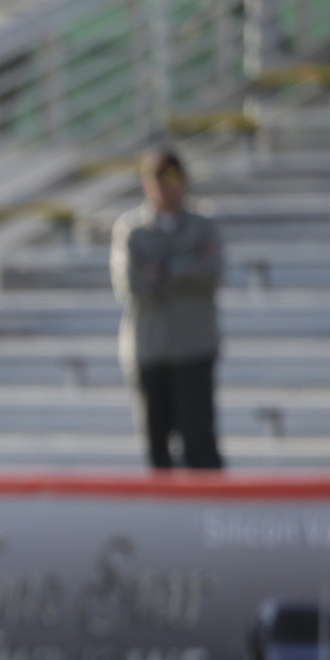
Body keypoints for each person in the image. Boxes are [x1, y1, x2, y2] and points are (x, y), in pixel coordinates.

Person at [109, 146, 225, 470]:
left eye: (172, 177)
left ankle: (210, 514)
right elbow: (132, 284)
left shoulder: (204, 224)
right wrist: (186, 267)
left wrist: (163, 270)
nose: (165, 187)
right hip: (150, 350)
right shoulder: (131, 230)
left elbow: (212, 271)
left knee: (199, 442)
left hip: (193, 347)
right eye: (157, 178)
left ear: (184, 180)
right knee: (156, 447)